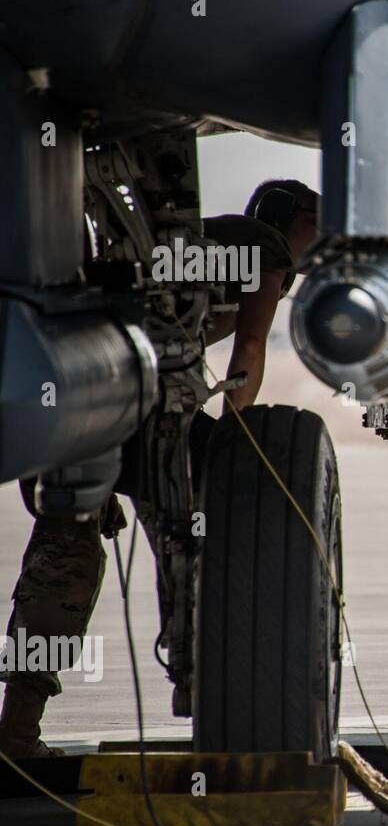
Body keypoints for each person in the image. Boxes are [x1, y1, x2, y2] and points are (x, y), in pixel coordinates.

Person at [0, 179, 320, 758]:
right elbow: (249, 346)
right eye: (317, 219)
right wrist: (234, 439)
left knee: (60, 565)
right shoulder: (266, 247)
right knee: (194, 557)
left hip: (83, 401)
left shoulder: (201, 235)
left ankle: (17, 733)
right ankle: (213, 723)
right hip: (157, 415)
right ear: (291, 218)